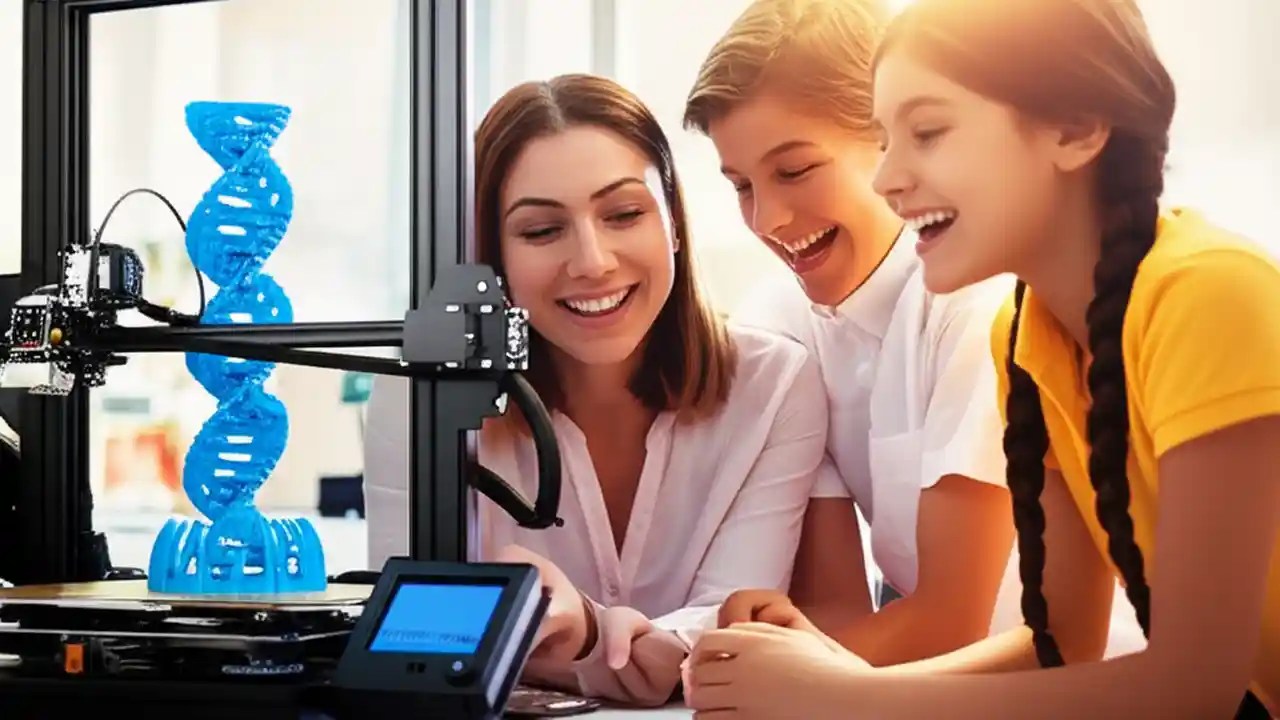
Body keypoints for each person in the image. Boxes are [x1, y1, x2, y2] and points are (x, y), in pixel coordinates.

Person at [684, 0, 1280, 718]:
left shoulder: (1210, 293)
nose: (887, 177)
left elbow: (1195, 685)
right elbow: (1060, 640)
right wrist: (827, 678)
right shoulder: (1028, 335)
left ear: (1076, 127)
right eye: (886, 138)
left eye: (928, 133)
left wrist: (841, 696)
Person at [362, 73, 830, 707]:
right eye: (541, 231)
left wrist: (581, 635)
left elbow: (730, 630)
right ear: (488, 255)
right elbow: (409, 646)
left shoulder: (775, 387)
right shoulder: (418, 398)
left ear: (673, 223)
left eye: (624, 214)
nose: (593, 261)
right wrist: (619, 648)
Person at [681, 0, 1020, 667]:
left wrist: (745, 676)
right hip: (919, 690)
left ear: (888, 138)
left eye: (794, 170)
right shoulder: (779, 323)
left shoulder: (979, 299)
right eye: (741, 184)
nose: (766, 218)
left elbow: (953, 621)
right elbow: (833, 610)